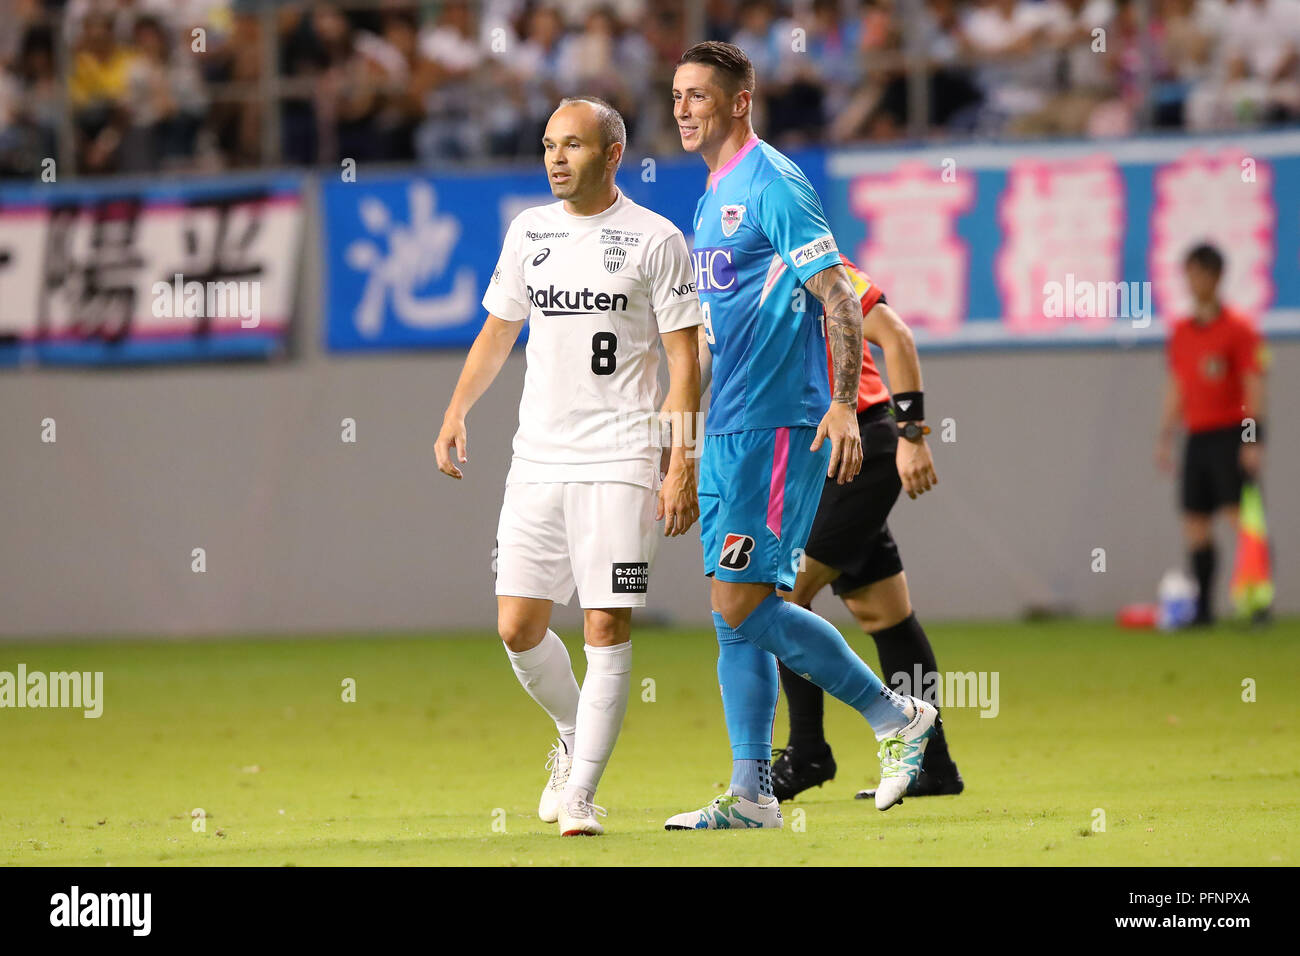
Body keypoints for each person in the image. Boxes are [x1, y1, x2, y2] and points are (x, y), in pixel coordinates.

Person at [664, 41, 936, 831]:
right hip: (730, 425)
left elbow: (839, 298)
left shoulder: (774, 181)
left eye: (699, 96)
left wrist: (846, 405)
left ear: (739, 101)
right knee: (731, 611)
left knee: (746, 604)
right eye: (677, 94)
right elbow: (716, 334)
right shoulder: (712, 195)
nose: (683, 108)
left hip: (781, 422)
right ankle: (750, 793)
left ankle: (895, 716)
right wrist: (681, 439)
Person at [435, 97, 702, 835]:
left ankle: (581, 795)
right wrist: (457, 409)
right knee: (516, 626)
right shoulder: (530, 231)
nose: (555, 158)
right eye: (549, 144)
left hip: (622, 455)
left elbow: (685, 360)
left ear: (612, 154)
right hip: (537, 458)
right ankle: (571, 734)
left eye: (573, 145)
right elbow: (499, 328)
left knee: (605, 625)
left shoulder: (656, 240)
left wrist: (682, 460)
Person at [772, 255, 964, 803]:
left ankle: (807, 751)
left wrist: (912, 433)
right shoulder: (752, 278)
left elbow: (896, 336)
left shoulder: (811, 265)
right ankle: (935, 766)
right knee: (883, 611)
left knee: (784, 596)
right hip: (828, 455)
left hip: (864, 445)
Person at [1157, 243, 1269, 625]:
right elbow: (1177, 386)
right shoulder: (1181, 333)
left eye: (1201, 274)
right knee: (1195, 522)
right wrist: (1165, 435)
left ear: (1217, 277)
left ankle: (1257, 604)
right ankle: (1203, 607)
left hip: (1230, 434)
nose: (1194, 282)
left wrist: (1252, 439)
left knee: (1242, 520)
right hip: (1197, 436)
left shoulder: (1239, 329)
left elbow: (1253, 388)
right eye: (1189, 274)